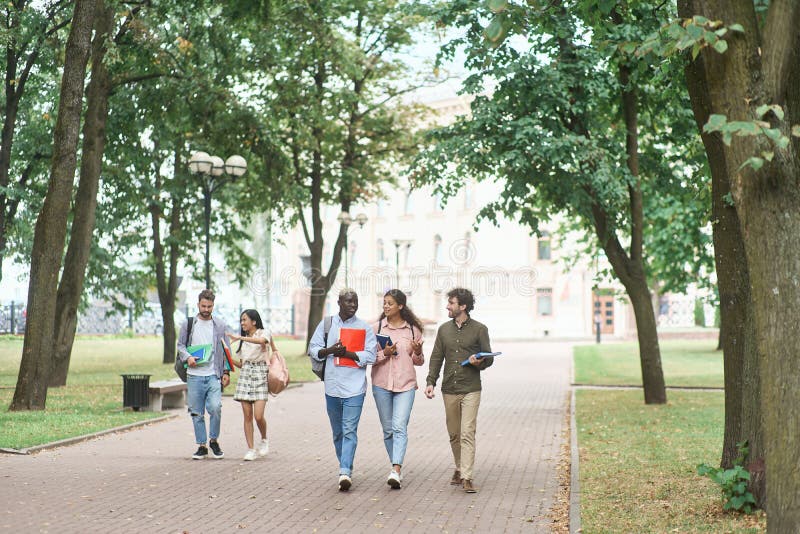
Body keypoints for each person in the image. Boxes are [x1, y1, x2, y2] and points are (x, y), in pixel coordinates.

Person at [425, 288, 493, 493]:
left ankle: (467, 476)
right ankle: (458, 467)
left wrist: (477, 362)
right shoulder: (444, 330)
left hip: (471, 388)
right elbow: (437, 357)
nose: (447, 306)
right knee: (454, 434)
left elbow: (488, 358)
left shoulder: (480, 329)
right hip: (449, 388)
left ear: (462, 306)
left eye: (451, 303)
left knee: (467, 433)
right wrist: (430, 382)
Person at [308, 289, 377, 491]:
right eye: (348, 302)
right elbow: (313, 349)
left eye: (355, 302)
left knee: (349, 431)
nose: (353, 305)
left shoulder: (364, 328)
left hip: (355, 388)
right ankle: (345, 465)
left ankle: (345, 471)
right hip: (332, 386)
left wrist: (349, 353)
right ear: (339, 303)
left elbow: (371, 355)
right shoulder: (327, 324)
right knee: (338, 432)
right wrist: (331, 351)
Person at [371, 289, 425, 489]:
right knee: (388, 430)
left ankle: (396, 469)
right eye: (384, 303)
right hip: (381, 384)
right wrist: (384, 353)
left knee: (399, 426)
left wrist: (418, 352)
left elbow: (418, 362)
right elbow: (369, 358)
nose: (385, 306)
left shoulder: (412, 330)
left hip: (406, 385)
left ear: (400, 306)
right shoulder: (376, 328)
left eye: (390, 303)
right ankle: (395, 466)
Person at [177, 289, 233, 460]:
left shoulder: (220, 325)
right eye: (203, 306)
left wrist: (226, 371)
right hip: (194, 374)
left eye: (209, 306)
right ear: (198, 305)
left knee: (215, 408)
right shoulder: (188, 324)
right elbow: (180, 346)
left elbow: (226, 350)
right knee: (196, 412)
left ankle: (214, 440)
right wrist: (188, 358)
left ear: (213, 306)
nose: (206, 309)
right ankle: (201, 445)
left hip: (213, 374)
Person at [229, 309, 279, 461]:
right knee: (247, 416)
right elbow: (242, 364)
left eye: (245, 320)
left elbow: (262, 342)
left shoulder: (264, 333)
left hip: (260, 375)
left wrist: (239, 337)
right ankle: (250, 449)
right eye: (241, 320)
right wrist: (228, 360)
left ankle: (264, 439)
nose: (242, 323)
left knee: (258, 416)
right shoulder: (243, 341)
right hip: (245, 376)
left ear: (254, 321)